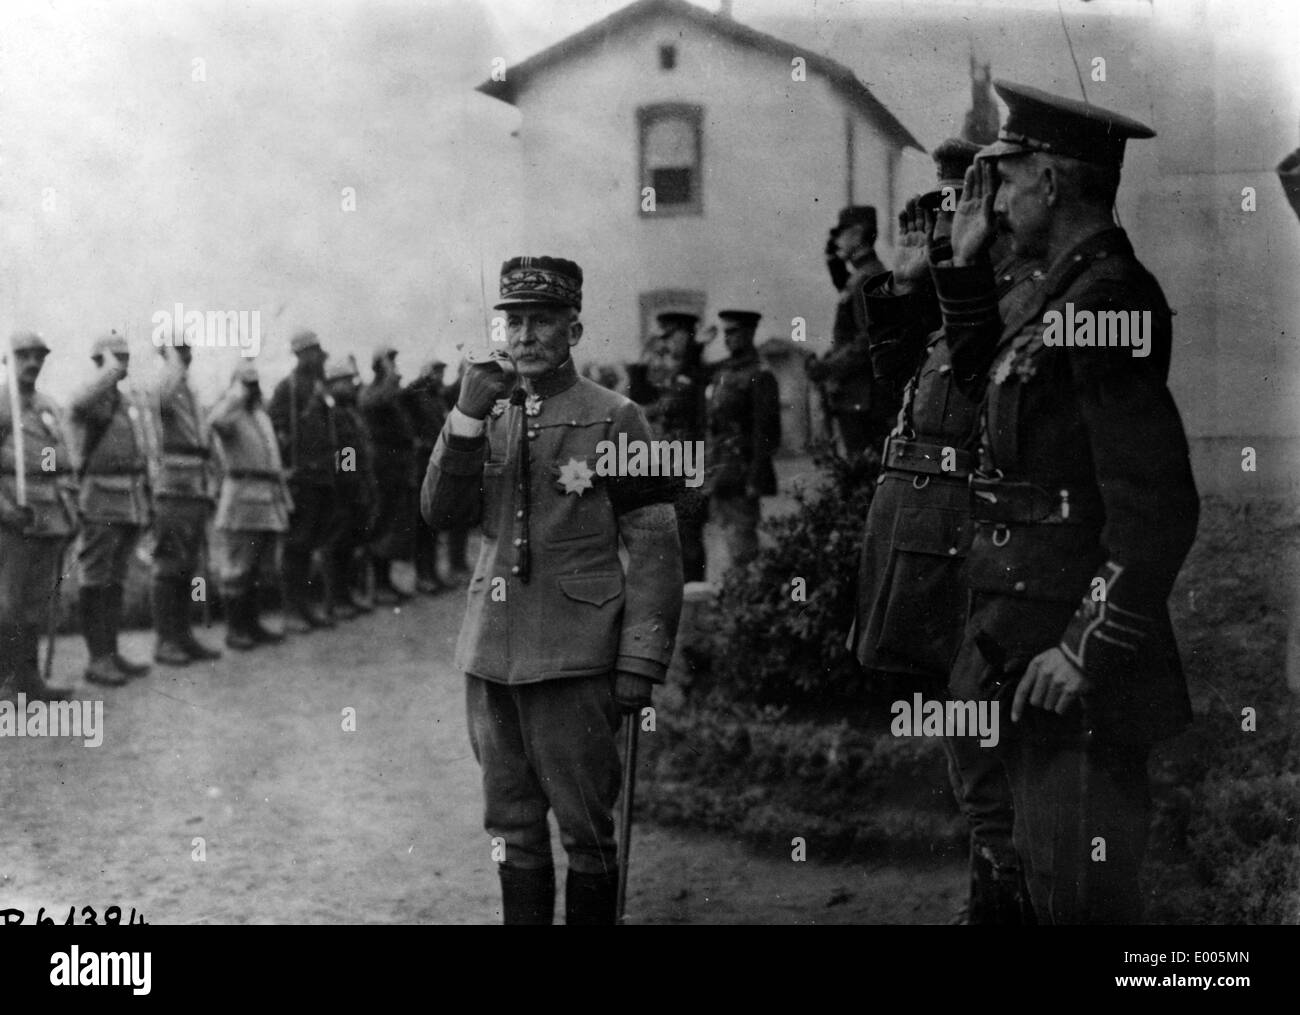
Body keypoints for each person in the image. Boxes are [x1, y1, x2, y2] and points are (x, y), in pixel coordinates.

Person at [938, 81, 1200, 923]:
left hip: (1070, 669)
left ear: (1051, 182)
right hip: (1013, 644)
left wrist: (1085, 647)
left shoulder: (1108, 301)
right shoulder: (1054, 294)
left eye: (1007, 182)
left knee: (1076, 897)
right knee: (1020, 880)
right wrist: (965, 262)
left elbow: (1155, 502)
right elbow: (985, 387)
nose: (998, 202)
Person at [422, 255, 683, 925]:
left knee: (587, 829)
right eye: (512, 320)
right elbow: (439, 514)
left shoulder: (616, 416)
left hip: (578, 657)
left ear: (575, 328)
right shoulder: (482, 411)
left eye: (543, 321)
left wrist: (640, 660)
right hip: (492, 657)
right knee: (511, 826)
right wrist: (463, 422)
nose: (525, 335)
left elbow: (654, 545)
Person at [851, 137, 1043, 923]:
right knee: (960, 720)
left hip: (965, 531)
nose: (939, 227)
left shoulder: (1014, 296)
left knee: (977, 721)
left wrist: (948, 278)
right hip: (921, 525)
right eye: (933, 211)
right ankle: (990, 895)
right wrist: (899, 283)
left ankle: (1003, 900)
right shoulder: (955, 306)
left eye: (954, 206)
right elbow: (889, 381)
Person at [69, 330, 153, 687]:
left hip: (128, 496)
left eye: (126, 356)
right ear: (100, 361)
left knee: (116, 578)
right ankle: (97, 659)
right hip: (99, 495)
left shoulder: (124, 399)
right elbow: (78, 404)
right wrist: (108, 371)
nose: (124, 363)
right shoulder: (91, 396)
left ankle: (111, 651)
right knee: (97, 576)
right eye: (116, 356)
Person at [0, 331, 79, 700]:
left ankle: (28, 681)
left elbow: (59, 461)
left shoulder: (47, 405)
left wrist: (66, 502)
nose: (32, 362)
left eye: (38, 356)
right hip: (11, 513)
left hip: (47, 512)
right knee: (9, 602)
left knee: (35, 603)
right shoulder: (2, 404)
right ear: (7, 360)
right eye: (24, 355)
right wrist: (6, 510)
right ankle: (4, 683)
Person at [208, 362, 291, 650]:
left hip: (265, 497)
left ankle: (251, 624)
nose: (253, 389)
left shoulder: (260, 416)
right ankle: (235, 630)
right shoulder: (232, 415)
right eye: (248, 383)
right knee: (237, 567)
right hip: (242, 498)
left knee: (257, 567)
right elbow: (215, 421)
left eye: (255, 383)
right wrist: (236, 393)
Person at [150, 340, 221, 665]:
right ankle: (166, 640)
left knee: (187, 566)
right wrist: (173, 360)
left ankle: (182, 635)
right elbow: (163, 398)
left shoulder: (187, 388)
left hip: (194, 484)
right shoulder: (166, 380)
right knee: (170, 565)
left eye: (188, 349)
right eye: (180, 349)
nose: (187, 354)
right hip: (174, 484)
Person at [806, 206, 894, 459]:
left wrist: (828, 367)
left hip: (863, 397)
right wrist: (834, 263)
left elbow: (869, 340)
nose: (835, 241)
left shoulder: (866, 278)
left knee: (863, 475)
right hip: (860, 395)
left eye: (840, 234)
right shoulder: (865, 275)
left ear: (857, 234)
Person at [268, 329, 337, 630]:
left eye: (317, 350)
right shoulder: (288, 388)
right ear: (299, 354)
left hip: (322, 476)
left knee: (310, 544)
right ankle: (292, 611)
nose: (317, 356)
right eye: (311, 351)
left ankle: (305, 606)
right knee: (296, 545)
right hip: (301, 477)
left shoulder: (319, 386)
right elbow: (277, 429)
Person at [703, 309, 780, 571]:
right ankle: (735, 597)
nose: (728, 338)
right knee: (724, 535)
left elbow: (766, 432)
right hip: (719, 467)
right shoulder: (724, 370)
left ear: (750, 333)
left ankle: (747, 600)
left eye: (734, 332)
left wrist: (756, 477)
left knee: (742, 540)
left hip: (742, 470)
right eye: (726, 333)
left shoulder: (760, 374)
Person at [640, 312, 710, 583]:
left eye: (672, 335)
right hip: (674, 461)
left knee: (689, 533)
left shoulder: (695, 373)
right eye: (664, 337)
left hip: (691, 462)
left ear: (687, 334)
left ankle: (693, 592)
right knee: (677, 533)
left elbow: (673, 407)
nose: (667, 343)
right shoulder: (675, 371)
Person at [360, 345, 417, 603]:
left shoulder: (390, 394)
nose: (395, 366)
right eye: (390, 362)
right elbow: (380, 399)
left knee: (394, 524)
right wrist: (387, 367)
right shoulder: (371, 392)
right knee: (382, 522)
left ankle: (386, 583)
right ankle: (379, 586)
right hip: (383, 467)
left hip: (397, 467)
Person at [324, 356, 377, 619]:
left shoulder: (352, 413)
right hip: (346, 491)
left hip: (359, 486)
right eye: (343, 382)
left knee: (351, 543)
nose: (349, 386)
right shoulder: (336, 415)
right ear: (332, 385)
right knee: (339, 545)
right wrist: (351, 485)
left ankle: (346, 595)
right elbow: (345, 455)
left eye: (349, 381)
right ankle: (337, 599)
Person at [403, 358, 451, 595]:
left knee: (433, 523)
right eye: (436, 372)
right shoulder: (417, 396)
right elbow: (404, 394)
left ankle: (432, 573)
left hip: (437, 466)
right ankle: (422, 576)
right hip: (422, 466)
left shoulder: (437, 399)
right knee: (422, 524)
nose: (440, 377)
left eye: (442, 372)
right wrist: (421, 379)